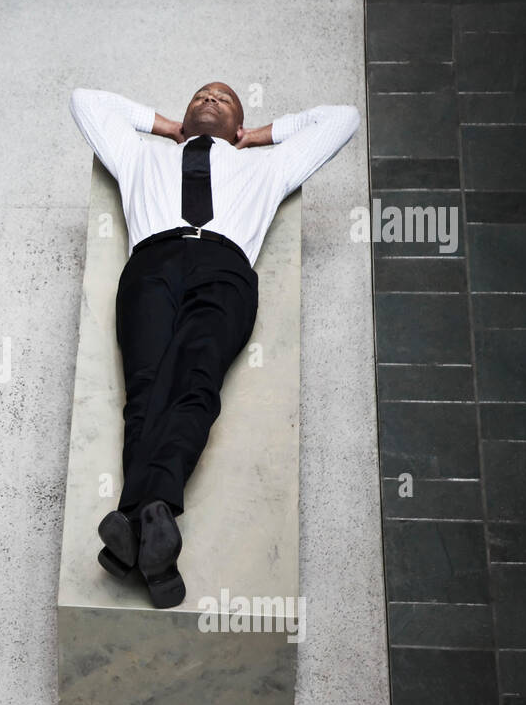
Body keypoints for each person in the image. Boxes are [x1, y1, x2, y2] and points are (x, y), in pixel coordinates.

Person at [69, 82, 359, 608]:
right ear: (185, 113)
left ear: (238, 124)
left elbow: (342, 117)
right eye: (202, 95)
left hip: (225, 270)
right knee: (146, 389)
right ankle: (150, 529)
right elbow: (86, 102)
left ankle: (134, 525)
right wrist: (166, 128)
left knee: (195, 383)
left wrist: (261, 137)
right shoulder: (138, 157)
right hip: (151, 266)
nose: (210, 99)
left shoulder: (268, 166)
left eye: (224, 100)